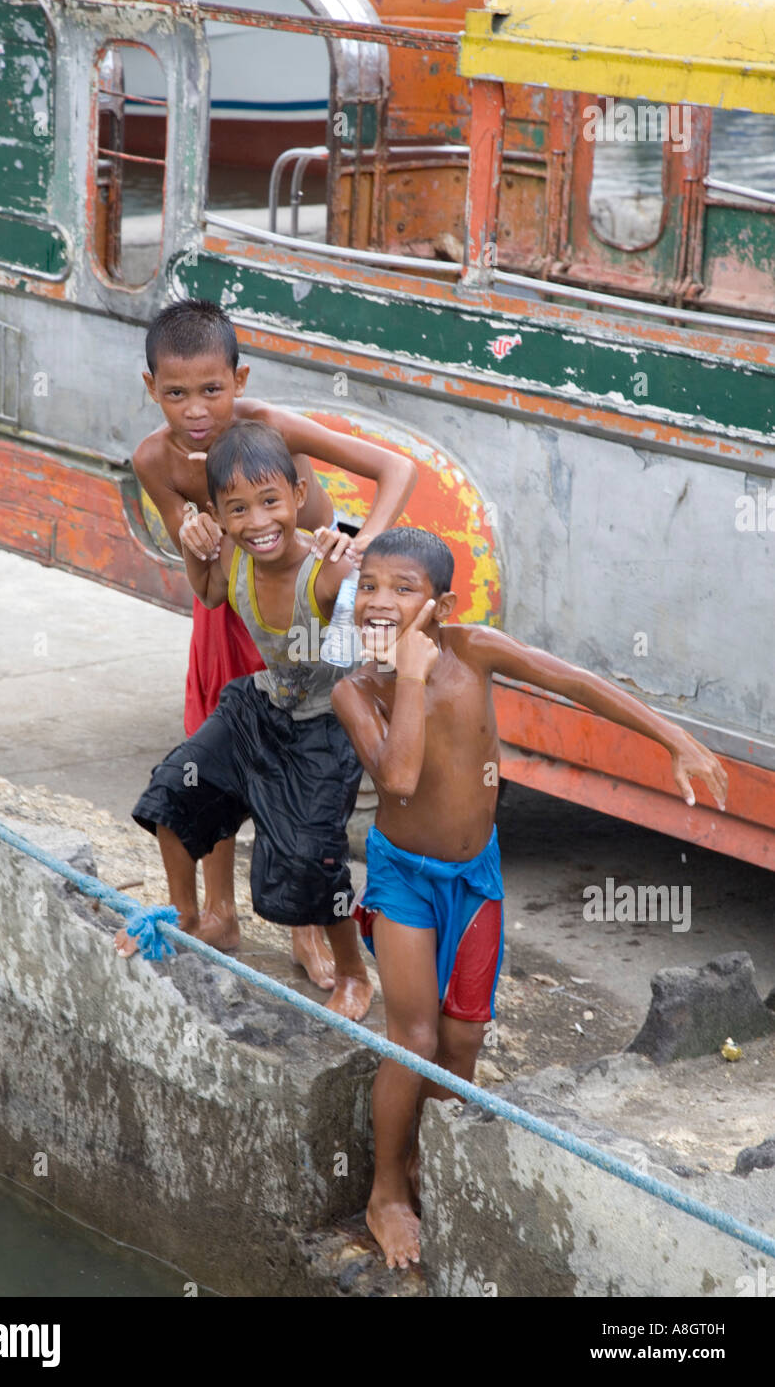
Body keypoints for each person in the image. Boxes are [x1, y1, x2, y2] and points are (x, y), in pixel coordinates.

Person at [331, 527, 729, 1270]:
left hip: (476, 876)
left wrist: (670, 735)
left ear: (442, 605)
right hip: (403, 879)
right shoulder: (355, 689)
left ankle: (433, 1160)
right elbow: (401, 781)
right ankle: (386, 1191)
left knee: (462, 1042)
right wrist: (408, 679)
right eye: (370, 586)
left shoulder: (474, 648)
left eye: (403, 588)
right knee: (412, 1038)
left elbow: (573, 682)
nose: (380, 602)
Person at [133, 298, 415, 989]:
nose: (197, 409)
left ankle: (309, 929)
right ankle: (215, 912)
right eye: (176, 394)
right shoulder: (155, 460)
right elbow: (205, 581)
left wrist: (362, 545)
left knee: (306, 776)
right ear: (151, 391)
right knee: (215, 757)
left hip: (317, 597)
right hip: (236, 600)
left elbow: (396, 470)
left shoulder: (274, 428)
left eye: (212, 390)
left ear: (241, 379)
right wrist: (196, 541)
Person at [115, 421, 374, 1021]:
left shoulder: (328, 569)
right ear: (219, 514)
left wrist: (359, 557)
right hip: (259, 707)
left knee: (315, 857)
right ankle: (188, 916)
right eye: (236, 509)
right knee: (170, 793)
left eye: (270, 502)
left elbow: (375, 633)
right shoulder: (231, 556)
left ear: (299, 495)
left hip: (324, 727)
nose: (258, 522)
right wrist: (192, 538)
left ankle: (355, 972)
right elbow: (207, 594)